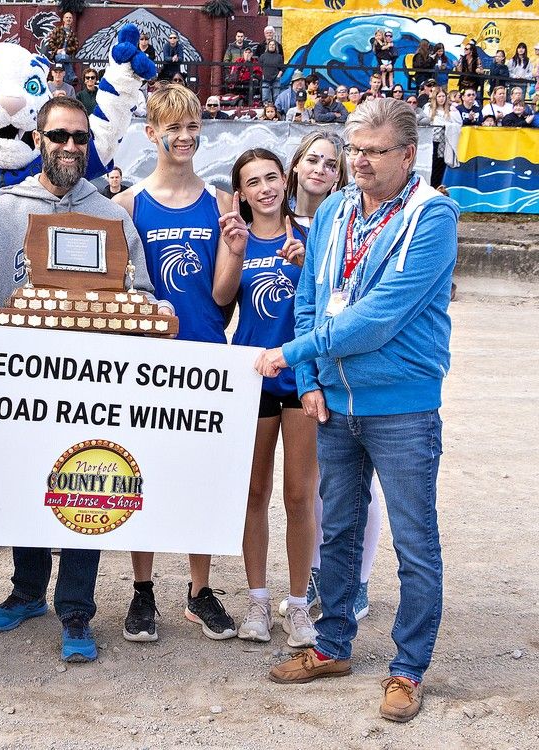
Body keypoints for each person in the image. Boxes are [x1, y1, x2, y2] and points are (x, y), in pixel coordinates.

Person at [260, 97, 458, 724]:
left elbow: (376, 321)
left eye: (374, 152)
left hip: (402, 407)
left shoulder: (434, 218)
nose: (361, 163)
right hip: (334, 404)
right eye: (355, 150)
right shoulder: (336, 211)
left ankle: (407, 669)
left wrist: (291, 354)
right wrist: (311, 377)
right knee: (338, 529)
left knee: (414, 540)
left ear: (408, 154)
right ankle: (332, 644)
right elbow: (313, 296)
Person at [0, 96, 161, 661]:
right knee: (24, 482)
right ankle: (26, 590)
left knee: (85, 486)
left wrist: (133, 316)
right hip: (19, 379)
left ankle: (76, 607)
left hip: (91, 381)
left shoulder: (113, 215)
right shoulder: (4, 211)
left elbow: (139, 290)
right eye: (58, 137)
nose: (69, 147)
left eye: (78, 138)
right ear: (39, 141)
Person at [110, 84, 234, 645]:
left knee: (200, 478)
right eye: (173, 128)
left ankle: (198, 590)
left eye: (193, 125)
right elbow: (121, 290)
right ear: (151, 133)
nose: (185, 137)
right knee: (141, 473)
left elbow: (223, 294)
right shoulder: (129, 205)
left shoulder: (220, 200)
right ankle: (142, 588)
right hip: (147, 360)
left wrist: (233, 250)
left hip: (207, 351)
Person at [213, 148, 316, 647]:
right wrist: (234, 250)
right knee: (253, 492)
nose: (265, 188)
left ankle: (298, 605)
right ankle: (256, 599)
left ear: (285, 179)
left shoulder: (311, 233)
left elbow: (336, 298)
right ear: (242, 193)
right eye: (252, 182)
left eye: (271, 177)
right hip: (251, 377)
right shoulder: (235, 236)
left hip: (300, 377)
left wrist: (310, 260)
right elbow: (220, 299)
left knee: (299, 495)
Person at [281, 131, 385, 621]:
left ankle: (355, 580)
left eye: (331, 162)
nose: (321, 169)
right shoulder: (265, 216)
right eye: (313, 159)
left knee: (350, 481)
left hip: (340, 367)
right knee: (311, 487)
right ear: (296, 165)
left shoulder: (353, 221)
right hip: (290, 366)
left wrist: (313, 271)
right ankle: (322, 571)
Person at [45, 10, 79, 85]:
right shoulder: (57, 30)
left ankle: (65, 81)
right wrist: (57, 50)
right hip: (57, 55)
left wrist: (67, 50)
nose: (68, 19)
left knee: (64, 60)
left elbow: (76, 46)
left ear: (72, 20)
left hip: (67, 56)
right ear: (63, 19)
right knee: (63, 58)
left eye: (70, 18)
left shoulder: (73, 33)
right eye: (67, 17)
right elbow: (50, 43)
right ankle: (71, 76)